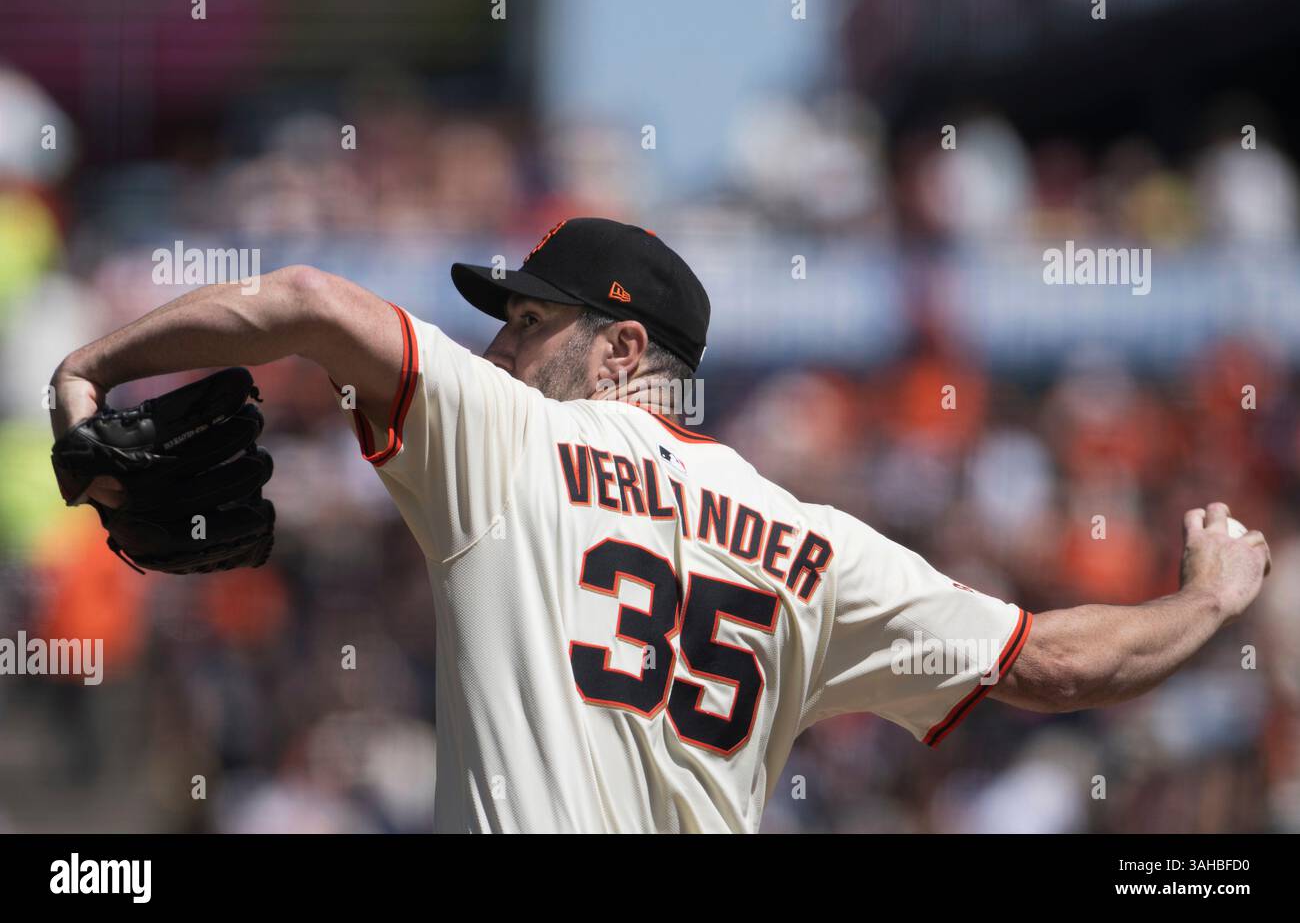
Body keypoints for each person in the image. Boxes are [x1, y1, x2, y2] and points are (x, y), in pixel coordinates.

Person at [50, 218, 1271, 832]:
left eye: (527, 320)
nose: (497, 345)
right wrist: (1209, 597)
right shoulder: (818, 543)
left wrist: (95, 363)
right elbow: (1056, 660)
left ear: (621, 347)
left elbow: (309, 301)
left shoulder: (516, 438)